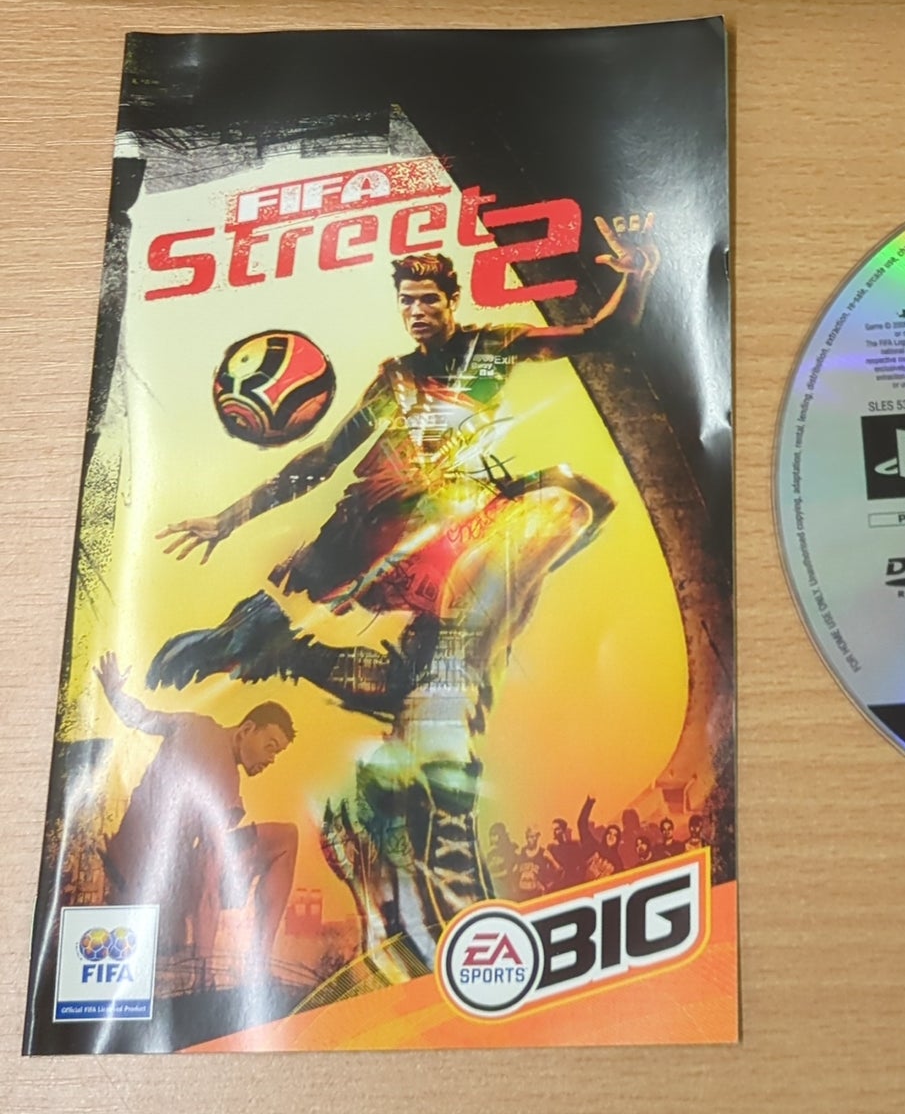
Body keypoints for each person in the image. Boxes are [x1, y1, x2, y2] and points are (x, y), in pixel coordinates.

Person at [147, 225, 658, 954]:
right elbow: (321, 460)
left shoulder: (493, 348)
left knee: (566, 506)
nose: (417, 312)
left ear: (453, 301)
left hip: (448, 534)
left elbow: (600, 336)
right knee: (294, 643)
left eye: (428, 300)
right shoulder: (394, 381)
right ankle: (396, 830)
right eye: (406, 301)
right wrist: (227, 520)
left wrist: (636, 279)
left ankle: (421, 842)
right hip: (373, 527)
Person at [92, 654, 298, 982]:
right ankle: (256, 965)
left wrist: (114, 692)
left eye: (278, 753)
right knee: (285, 838)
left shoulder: (194, 723)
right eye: (270, 746)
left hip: (128, 869)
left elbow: (140, 717)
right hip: (153, 883)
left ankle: (198, 955)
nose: (271, 758)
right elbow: (209, 881)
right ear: (247, 729)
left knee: (207, 859)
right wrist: (204, 971)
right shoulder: (227, 784)